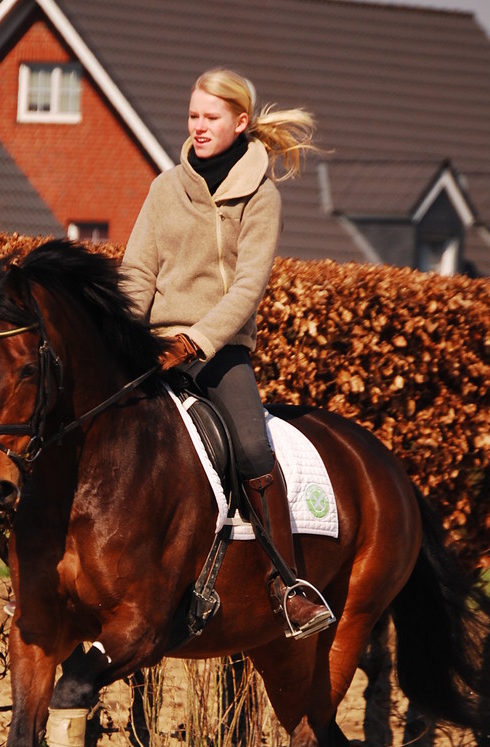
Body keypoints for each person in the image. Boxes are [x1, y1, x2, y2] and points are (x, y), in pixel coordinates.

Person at [121, 68, 334, 638]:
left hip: (218, 353)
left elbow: (247, 288)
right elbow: (138, 272)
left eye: (211, 117)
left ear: (240, 123)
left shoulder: (261, 197)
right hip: (153, 348)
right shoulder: (164, 188)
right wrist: (125, 337)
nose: (199, 126)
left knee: (250, 444)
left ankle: (287, 583)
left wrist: (196, 340)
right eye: (193, 116)